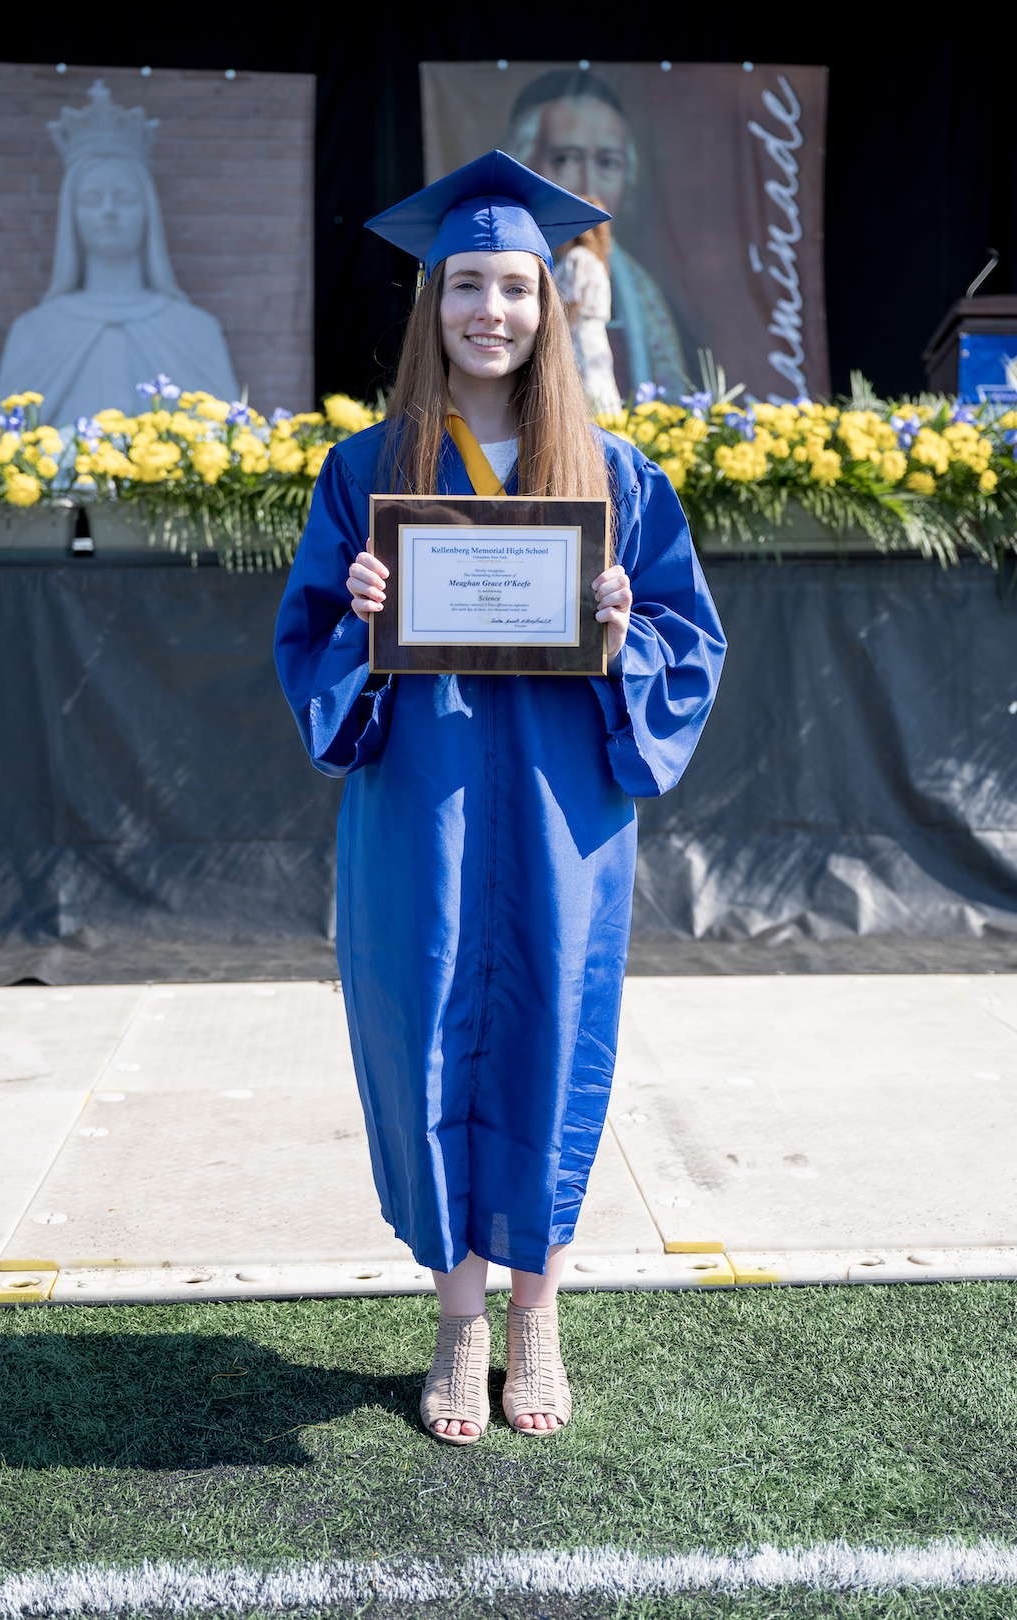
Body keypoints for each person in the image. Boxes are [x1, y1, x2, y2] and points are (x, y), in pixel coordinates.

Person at [274, 151, 725, 1444]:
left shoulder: (619, 475)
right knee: (418, 1034)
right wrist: (360, 623)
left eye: (515, 287)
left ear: (551, 300)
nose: (490, 310)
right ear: (433, 305)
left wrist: (626, 626)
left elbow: (691, 647)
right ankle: (458, 1318)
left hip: (558, 805)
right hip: (420, 800)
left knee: (549, 1036)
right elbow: (304, 646)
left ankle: (539, 1311)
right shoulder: (367, 470)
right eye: (464, 284)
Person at [0, 81, 238, 427]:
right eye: (92, 199)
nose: (108, 212)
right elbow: (3, 447)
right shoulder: (34, 332)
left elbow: (233, 445)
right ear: (71, 215)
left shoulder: (195, 330)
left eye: (124, 197)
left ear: (148, 210)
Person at [506, 69, 688, 402]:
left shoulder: (642, 291)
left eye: (608, 162)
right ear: (525, 164)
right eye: (565, 159)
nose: (588, 186)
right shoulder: (504, 261)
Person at [555, 203, 621, 415]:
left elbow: (573, 302)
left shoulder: (578, 256)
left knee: (584, 390)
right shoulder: (593, 259)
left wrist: (558, 339)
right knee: (599, 390)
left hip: (578, 335)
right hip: (594, 336)